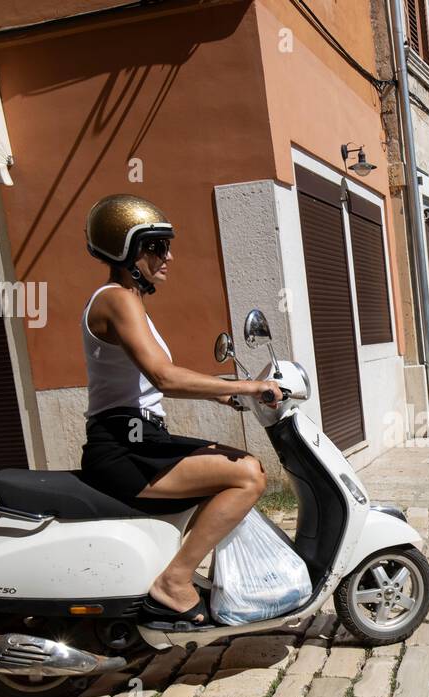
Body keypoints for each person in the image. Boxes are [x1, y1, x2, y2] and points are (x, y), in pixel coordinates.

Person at [79, 194, 282, 632]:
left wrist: (222, 393)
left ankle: (191, 575)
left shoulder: (126, 300)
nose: (168, 256)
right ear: (126, 250)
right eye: (156, 247)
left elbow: (148, 381)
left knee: (231, 465)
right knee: (248, 474)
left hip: (135, 437)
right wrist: (250, 386)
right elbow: (164, 378)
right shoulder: (117, 300)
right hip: (124, 445)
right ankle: (174, 581)